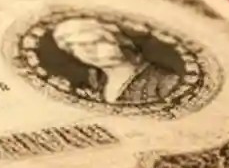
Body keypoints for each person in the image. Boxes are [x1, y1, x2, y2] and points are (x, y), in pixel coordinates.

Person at [49, 18, 180, 104]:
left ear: (121, 41)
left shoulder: (165, 81)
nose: (88, 52)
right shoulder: (94, 80)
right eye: (76, 47)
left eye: (96, 42)